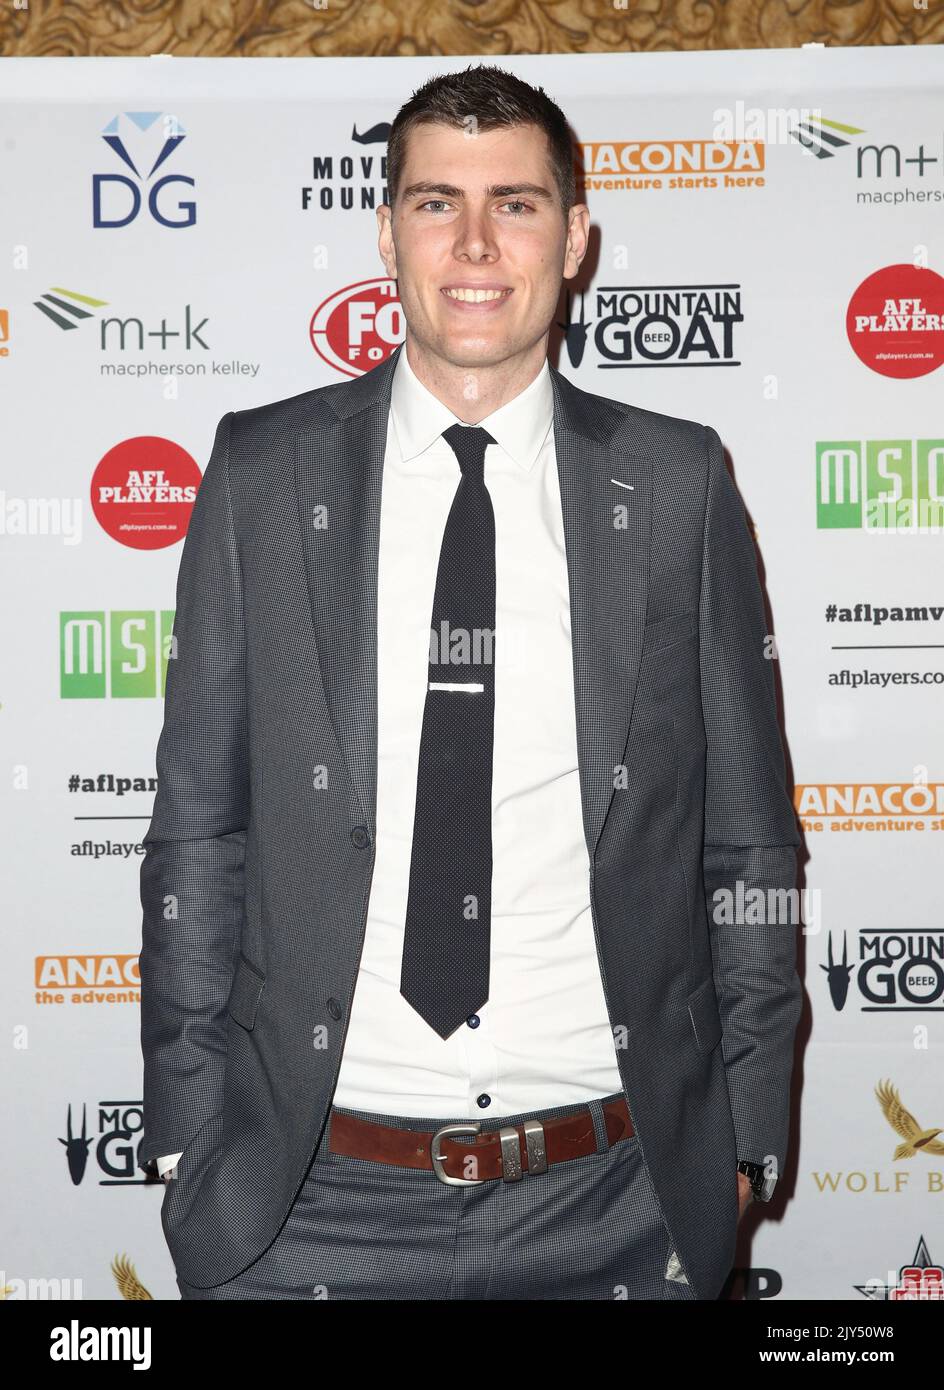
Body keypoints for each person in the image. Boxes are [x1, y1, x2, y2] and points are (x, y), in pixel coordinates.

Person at [138, 63, 802, 1301]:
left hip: (611, 1193)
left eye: (518, 203)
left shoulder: (676, 486)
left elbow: (751, 849)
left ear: (576, 235)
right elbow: (196, 831)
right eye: (438, 203)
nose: (477, 243)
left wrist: (743, 1138)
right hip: (306, 1199)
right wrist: (186, 1138)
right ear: (385, 232)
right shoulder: (261, 472)